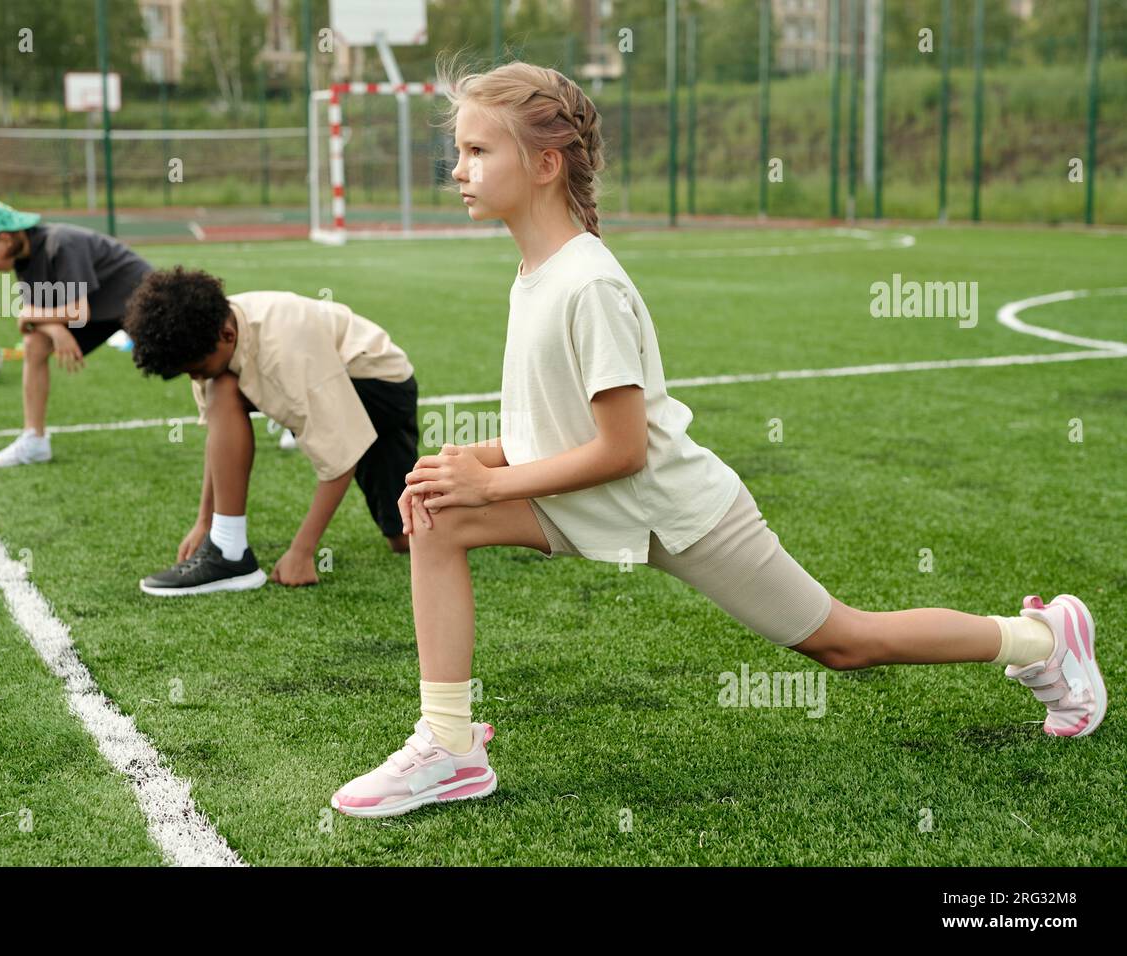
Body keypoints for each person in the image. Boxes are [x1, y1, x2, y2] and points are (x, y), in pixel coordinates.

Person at [328, 61, 1106, 819]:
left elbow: (624, 448)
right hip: (591, 500)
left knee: (845, 642)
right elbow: (552, 426)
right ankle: (451, 746)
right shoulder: (537, 272)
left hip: (674, 509)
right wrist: (477, 461)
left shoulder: (586, 283)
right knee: (431, 510)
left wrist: (493, 484)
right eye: (458, 151)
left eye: (476, 150)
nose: (455, 169)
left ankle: (1039, 639)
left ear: (545, 164)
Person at [123, 267, 419, 594]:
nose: (195, 379)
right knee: (222, 387)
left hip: (380, 387)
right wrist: (206, 522)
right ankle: (227, 549)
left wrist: (303, 551)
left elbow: (341, 454)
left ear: (228, 336)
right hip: (331, 373)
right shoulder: (204, 330)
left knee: (406, 538)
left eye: (197, 369)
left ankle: (229, 551)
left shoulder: (286, 350)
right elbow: (219, 439)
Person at [0, 197, 153, 467]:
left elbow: (74, 312)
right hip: (103, 310)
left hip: (145, 303)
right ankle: (34, 441)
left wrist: (32, 316)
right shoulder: (24, 261)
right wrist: (56, 332)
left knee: (187, 361)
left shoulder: (60, 243)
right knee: (35, 343)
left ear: (4, 239)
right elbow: (32, 320)